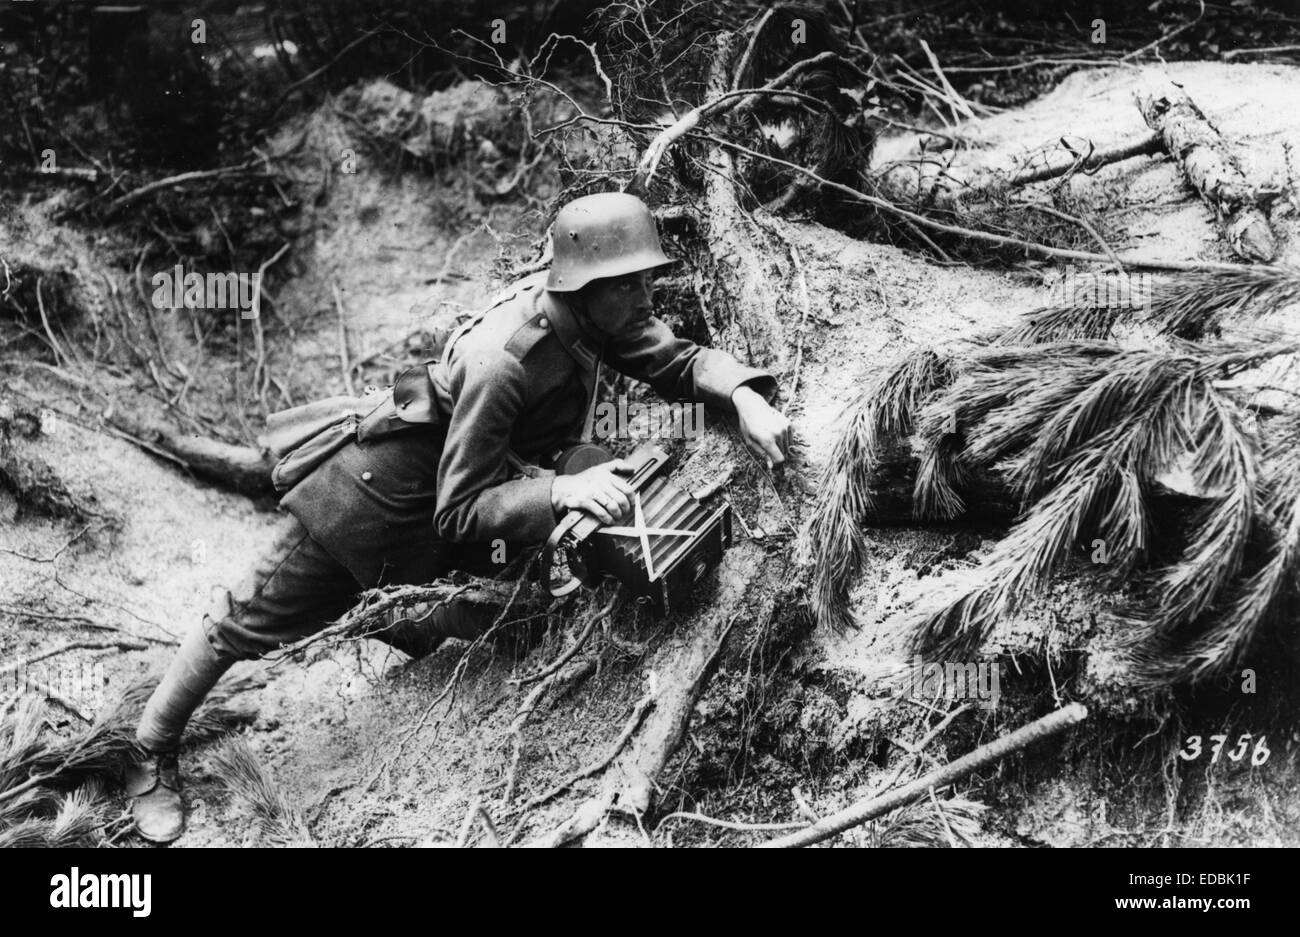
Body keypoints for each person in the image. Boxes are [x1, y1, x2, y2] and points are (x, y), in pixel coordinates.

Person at [125, 191, 792, 843]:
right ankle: (147, 753)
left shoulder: (596, 314)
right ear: (583, 283)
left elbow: (673, 358)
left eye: (645, 278)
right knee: (244, 620)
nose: (644, 295)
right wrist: (562, 490)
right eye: (629, 284)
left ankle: (397, 613)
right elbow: (461, 512)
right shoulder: (503, 361)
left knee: (529, 605)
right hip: (369, 504)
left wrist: (744, 396)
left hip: (474, 484)